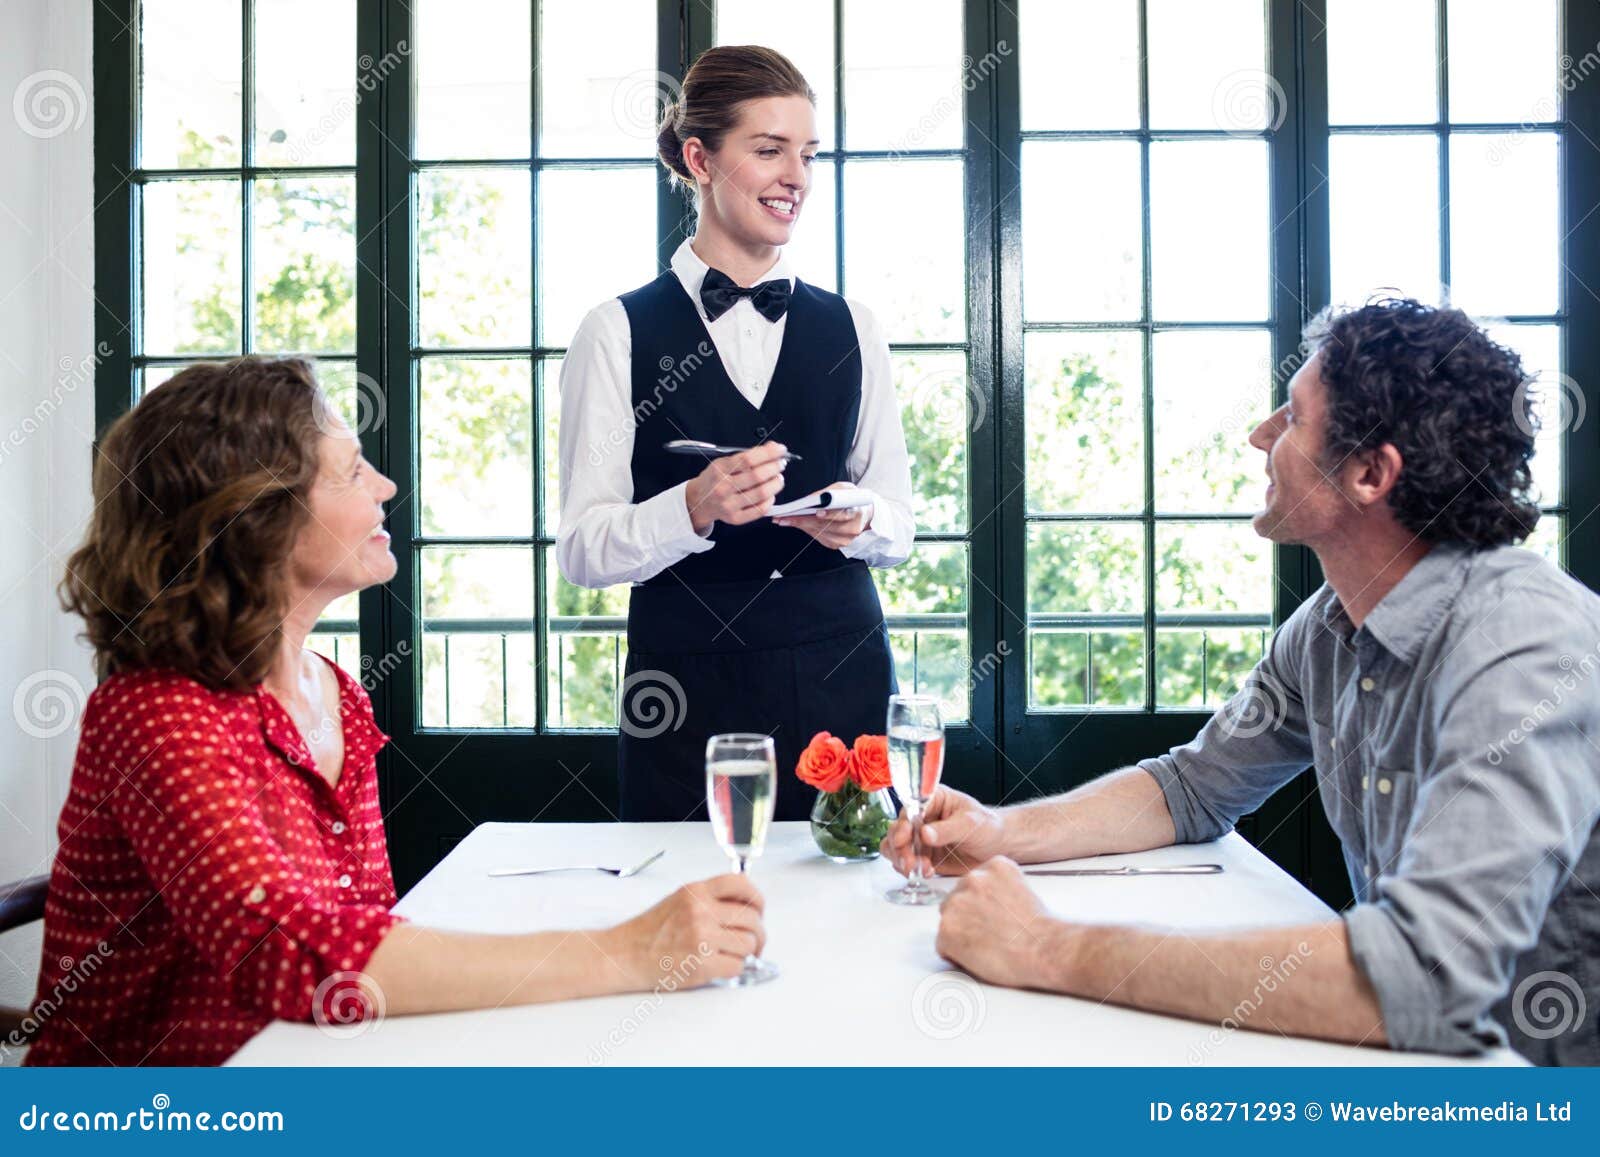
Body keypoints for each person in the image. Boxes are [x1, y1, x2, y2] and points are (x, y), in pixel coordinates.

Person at [883, 298, 1600, 1065]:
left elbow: (1423, 978)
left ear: (1369, 473)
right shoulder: (1329, 627)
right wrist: (1001, 832)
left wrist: (1048, 948)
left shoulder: (1526, 645)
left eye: (1291, 418)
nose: (1261, 436)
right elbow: (1191, 788)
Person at [24, 358, 765, 1066]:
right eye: (351, 469)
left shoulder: (337, 695)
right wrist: (632, 951)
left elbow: (361, 933)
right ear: (257, 515)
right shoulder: (157, 710)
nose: (385, 484)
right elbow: (293, 951)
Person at [556, 45, 915, 822]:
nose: (798, 177)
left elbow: (900, 522)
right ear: (700, 158)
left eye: (809, 154)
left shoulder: (856, 326)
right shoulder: (613, 332)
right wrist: (690, 507)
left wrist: (861, 520)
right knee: (693, 922)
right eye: (769, 150)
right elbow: (581, 548)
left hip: (842, 673)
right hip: (686, 697)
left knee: (854, 915)